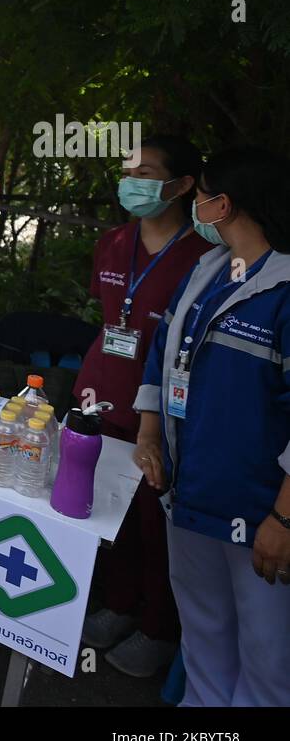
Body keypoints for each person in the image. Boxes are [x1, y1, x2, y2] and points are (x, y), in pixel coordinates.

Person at [134, 144, 290, 706]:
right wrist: (150, 435)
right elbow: (161, 355)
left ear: (222, 205)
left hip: (260, 517)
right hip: (189, 495)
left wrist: (283, 518)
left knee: (268, 662)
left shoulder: (285, 292)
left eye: (199, 194)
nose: (193, 205)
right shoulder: (206, 271)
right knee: (204, 641)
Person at [76, 135, 209, 677]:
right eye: (128, 169)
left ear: (180, 186)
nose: (132, 180)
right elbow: (107, 317)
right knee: (116, 511)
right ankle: (118, 604)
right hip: (103, 390)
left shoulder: (207, 256)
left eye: (147, 171)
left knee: (159, 521)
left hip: (168, 411)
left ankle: (159, 627)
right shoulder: (112, 243)